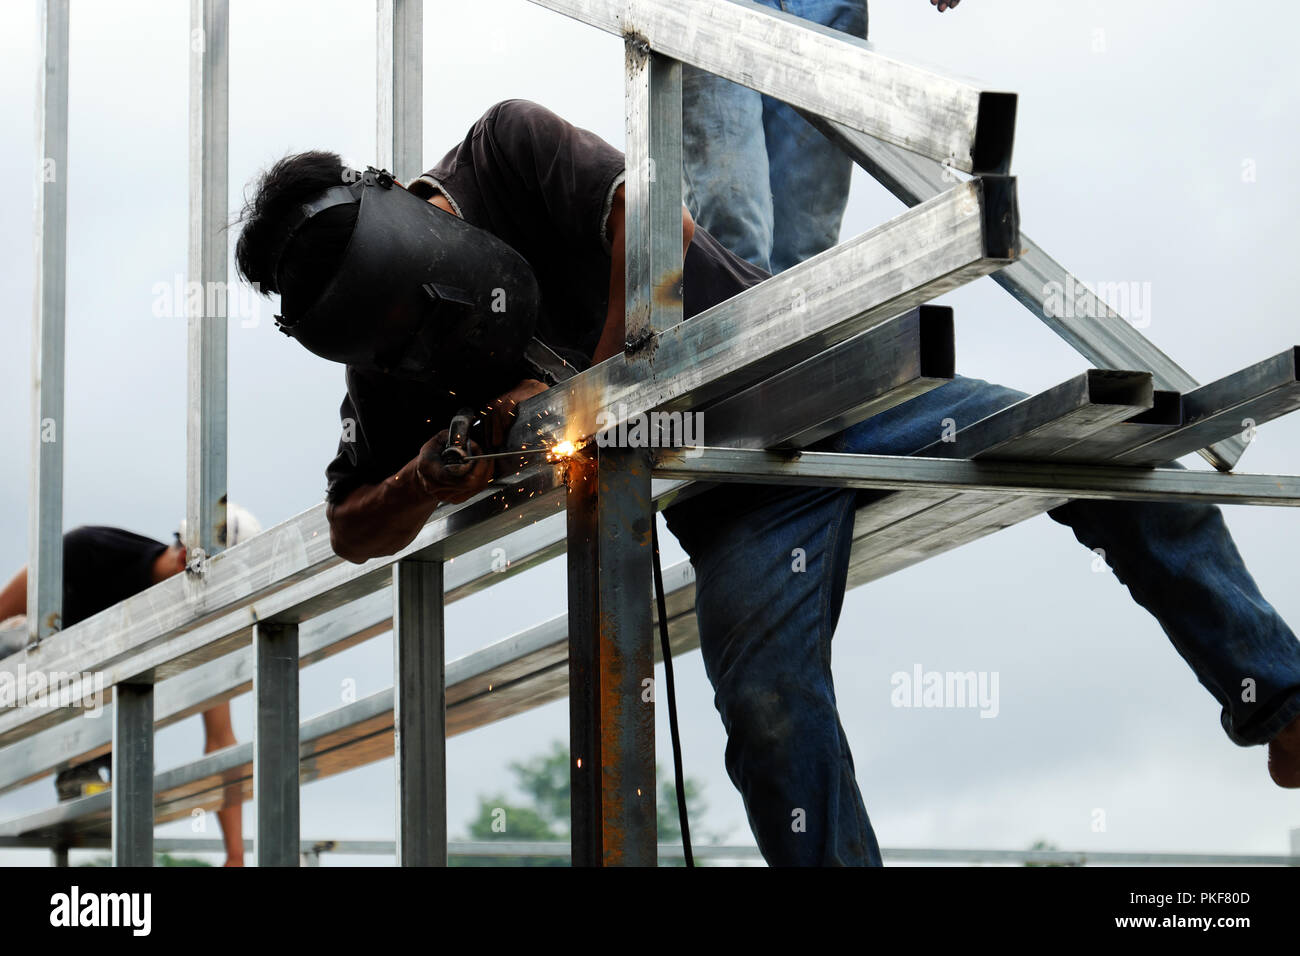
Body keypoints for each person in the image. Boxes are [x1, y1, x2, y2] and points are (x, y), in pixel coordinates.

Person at [234, 99, 1300, 866]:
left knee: (1103, 449)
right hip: (728, 493)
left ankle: (1278, 690)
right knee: (766, 708)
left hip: (819, 388)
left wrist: (593, 405)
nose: (415, 342)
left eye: (414, 315)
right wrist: (430, 469)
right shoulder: (380, 352)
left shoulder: (507, 150)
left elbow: (649, 222)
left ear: (404, 209)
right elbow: (349, 526)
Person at [0, 504, 262, 867]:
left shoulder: (201, 623)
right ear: (187, 556)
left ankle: (87, 765)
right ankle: (81, 762)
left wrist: (235, 853)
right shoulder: (90, 551)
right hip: (26, 678)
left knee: (136, 754)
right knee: (14, 638)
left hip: (99, 717)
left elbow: (221, 739)